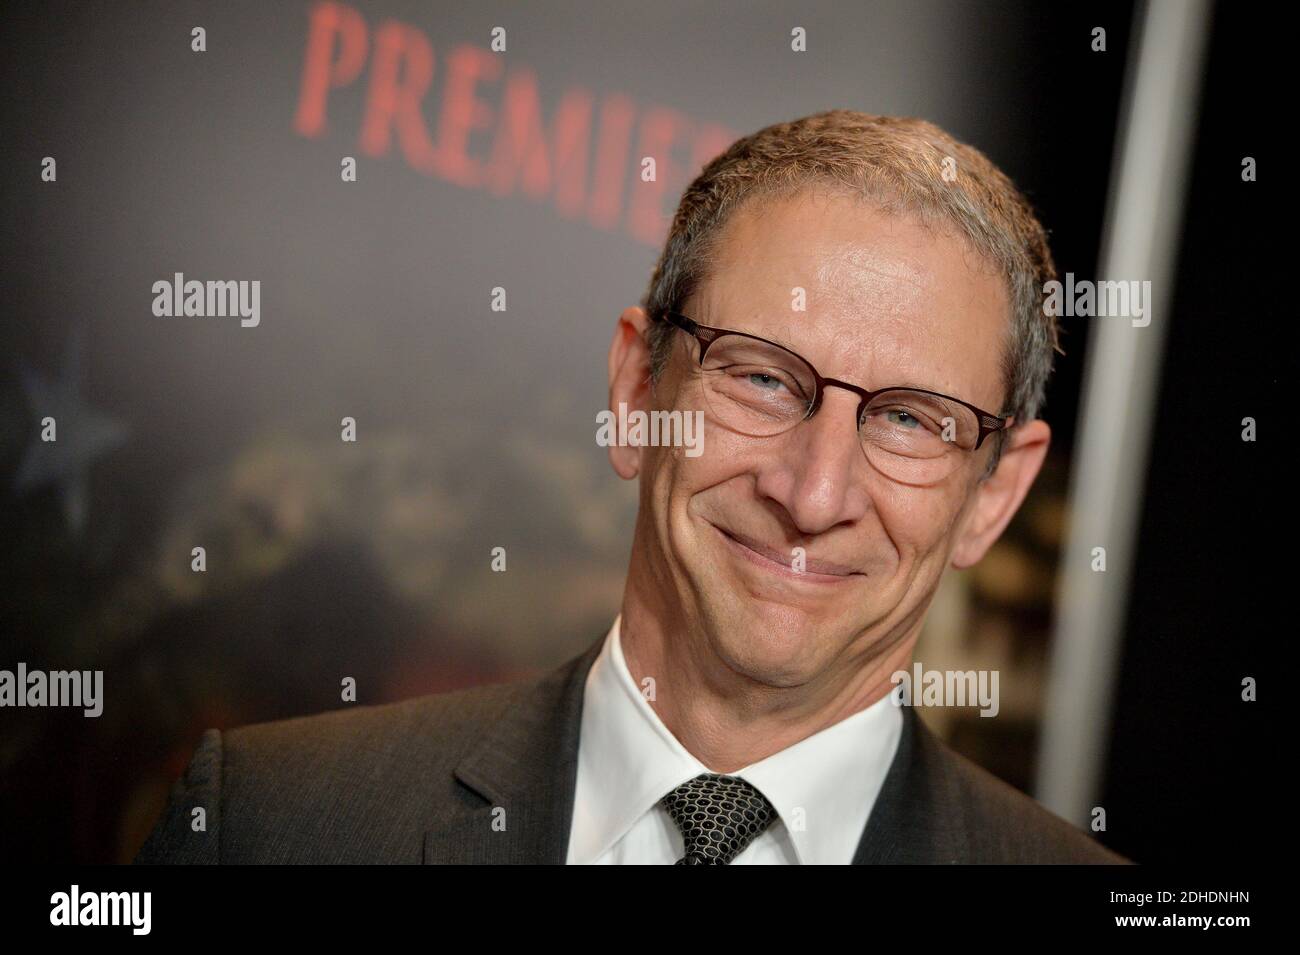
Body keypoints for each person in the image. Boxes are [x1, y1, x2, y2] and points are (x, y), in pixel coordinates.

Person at [135, 110, 1128, 865]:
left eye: (910, 418)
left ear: (994, 496)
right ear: (634, 386)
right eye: (762, 377)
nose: (814, 493)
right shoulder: (269, 822)